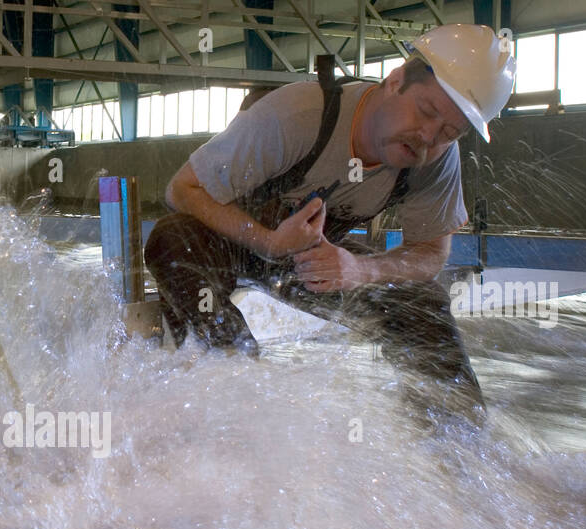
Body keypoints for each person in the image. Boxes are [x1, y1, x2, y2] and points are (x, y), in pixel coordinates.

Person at [145, 24, 516, 422]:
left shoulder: (438, 160)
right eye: (426, 110)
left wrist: (361, 269)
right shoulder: (296, 115)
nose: (427, 136)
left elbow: (430, 255)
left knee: (420, 301)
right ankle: (239, 391)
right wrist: (267, 241)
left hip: (309, 260)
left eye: (449, 132)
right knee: (174, 240)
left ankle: (456, 440)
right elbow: (182, 189)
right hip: (232, 240)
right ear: (395, 81)